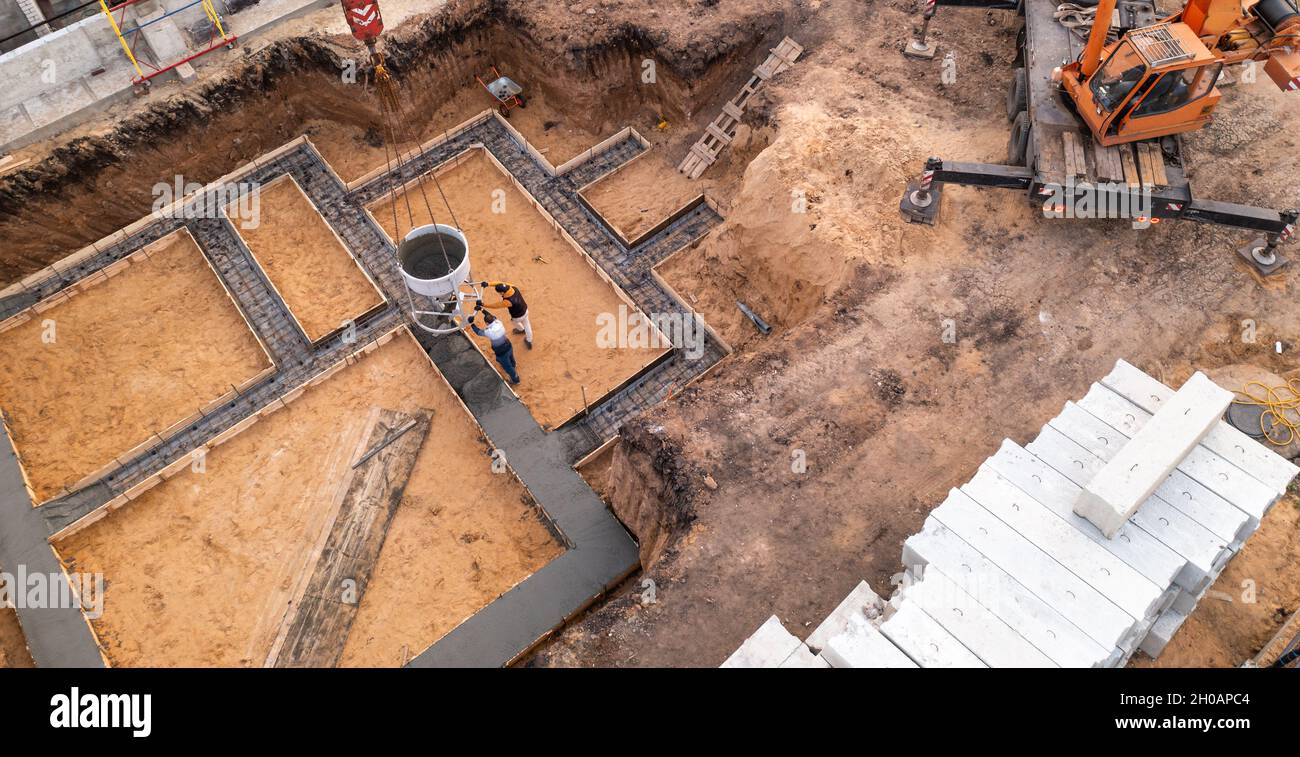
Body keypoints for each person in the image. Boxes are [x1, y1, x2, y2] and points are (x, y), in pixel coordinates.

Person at [466, 304, 520, 385]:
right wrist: (481, 309)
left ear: (487, 323)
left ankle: (516, 380)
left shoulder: (489, 332)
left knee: (508, 367)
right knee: (511, 356)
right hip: (508, 345)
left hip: (501, 352)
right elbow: (490, 315)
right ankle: (514, 364)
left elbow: (478, 332)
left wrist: (472, 323)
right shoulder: (498, 322)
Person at [479, 280, 532, 349]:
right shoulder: (512, 287)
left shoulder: (508, 301)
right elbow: (499, 283)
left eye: (499, 293)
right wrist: (488, 284)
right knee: (527, 324)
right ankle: (529, 340)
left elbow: (496, 305)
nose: (499, 294)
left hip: (518, 316)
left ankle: (521, 330)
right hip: (525, 309)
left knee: (513, 321)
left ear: (502, 292)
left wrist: (483, 305)